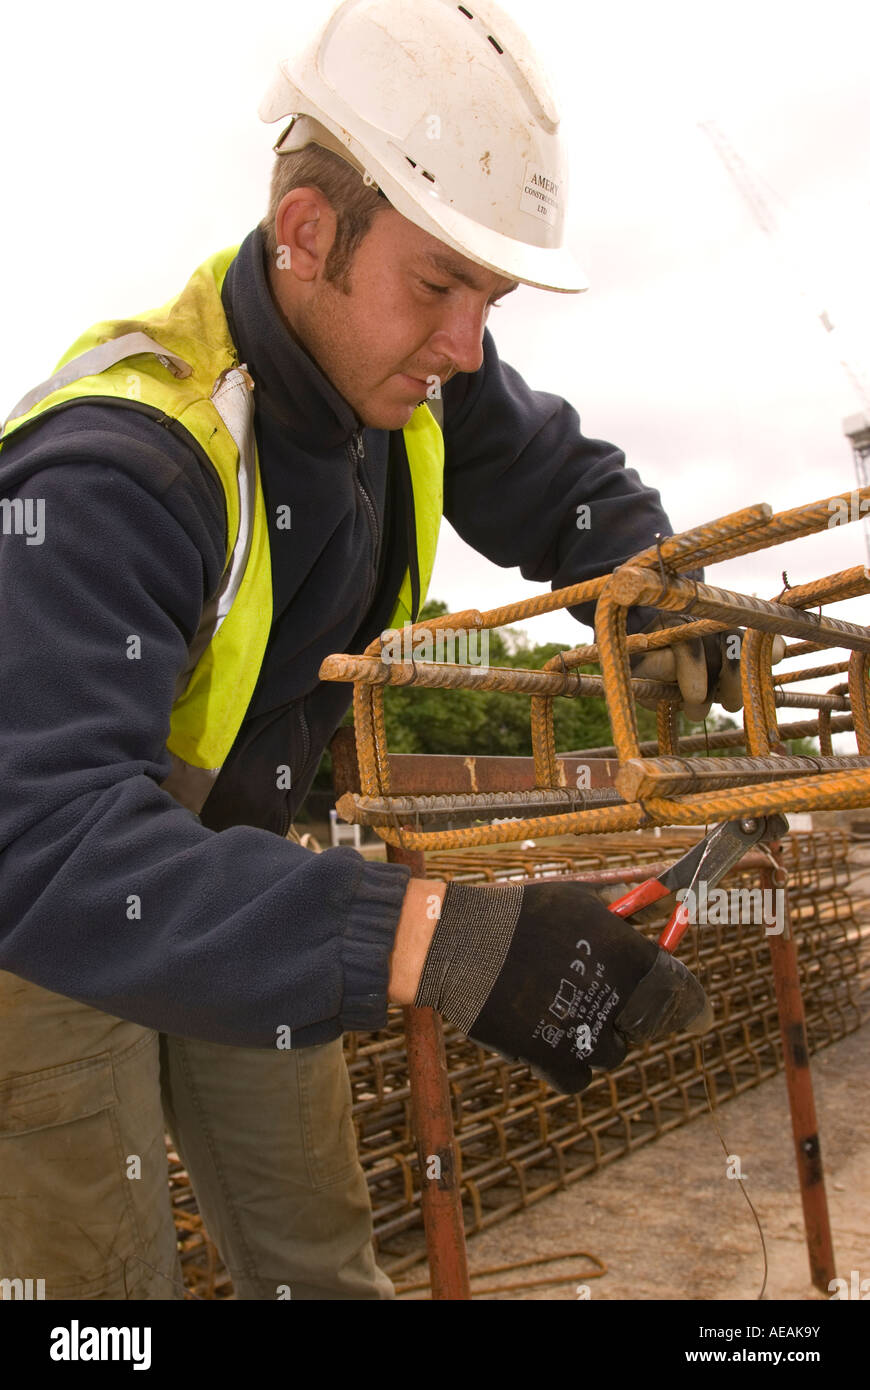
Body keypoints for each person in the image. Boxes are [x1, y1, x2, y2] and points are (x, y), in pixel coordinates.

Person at [0, 0, 728, 1301]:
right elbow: (39, 833)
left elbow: (547, 477)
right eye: (439, 285)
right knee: (102, 1296)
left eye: (487, 296)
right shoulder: (122, 466)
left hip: (240, 871)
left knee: (320, 1265)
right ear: (306, 234)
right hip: (49, 908)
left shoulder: (399, 362)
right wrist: (454, 946)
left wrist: (650, 581)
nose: (464, 344)